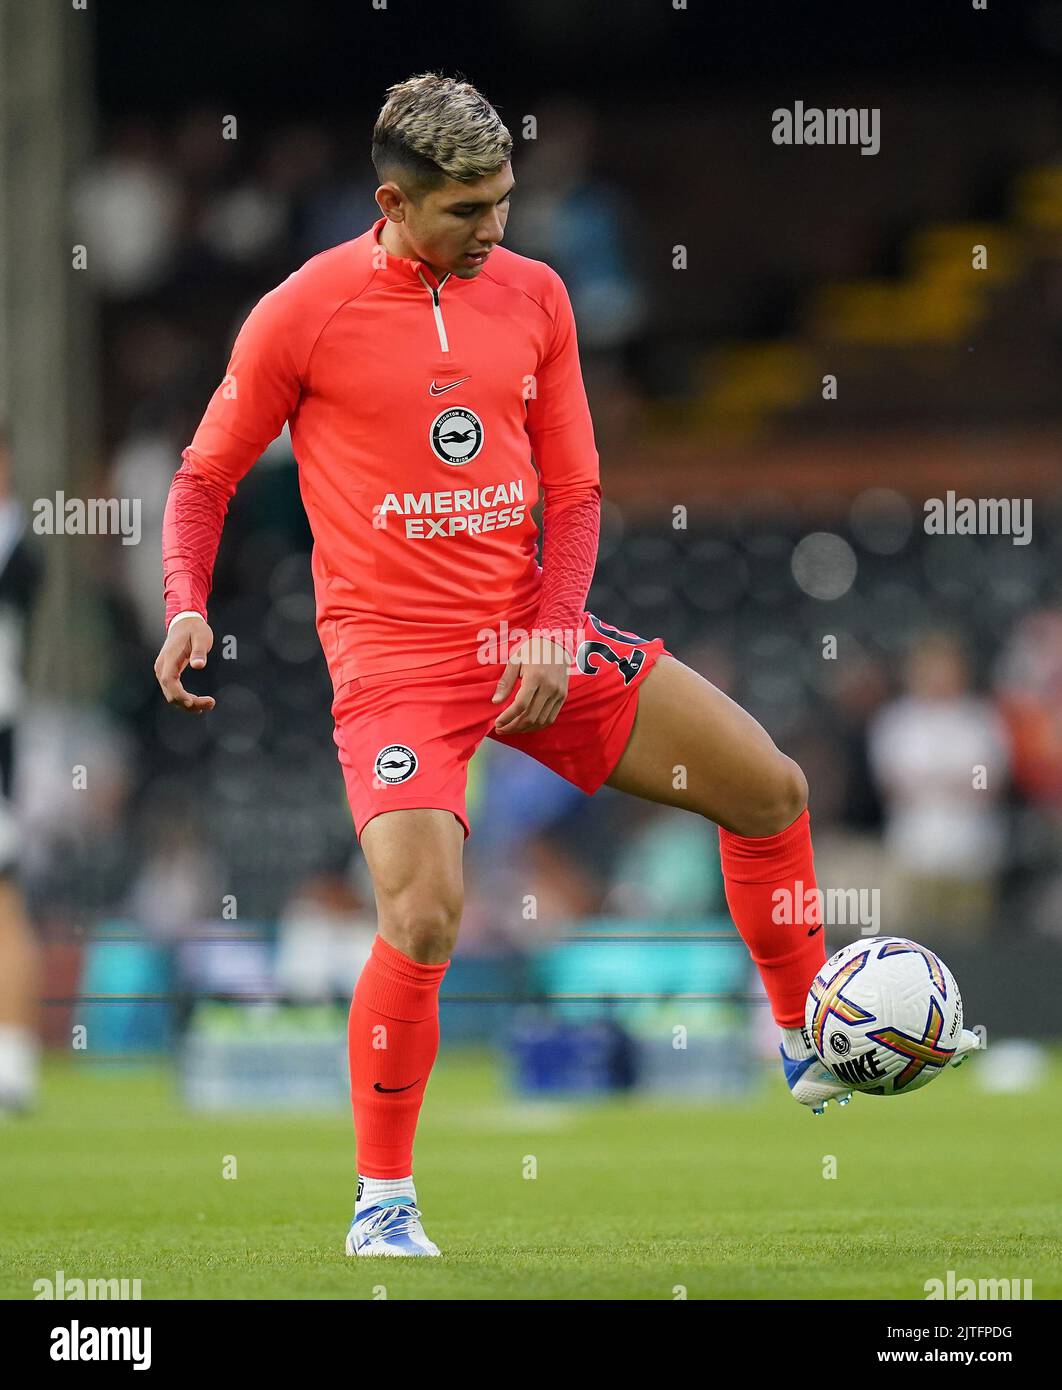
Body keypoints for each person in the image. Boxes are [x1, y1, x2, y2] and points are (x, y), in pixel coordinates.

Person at [154, 73, 969, 1257]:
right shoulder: (303, 312)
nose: (495, 228)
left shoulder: (535, 294)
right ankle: (384, 1201)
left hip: (536, 634)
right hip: (394, 664)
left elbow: (576, 486)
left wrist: (550, 622)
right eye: (468, 209)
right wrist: (186, 603)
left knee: (771, 790)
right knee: (425, 916)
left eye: (505, 201)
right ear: (392, 200)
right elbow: (203, 475)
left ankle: (803, 1028)